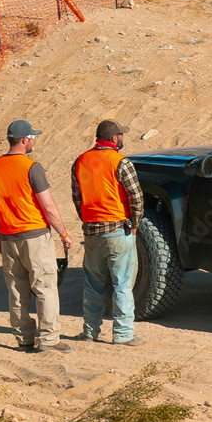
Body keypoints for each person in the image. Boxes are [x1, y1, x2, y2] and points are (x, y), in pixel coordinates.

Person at [0, 120, 74, 354]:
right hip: (34, 237)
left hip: (8, 238)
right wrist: (63, 233)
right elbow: (49, 207)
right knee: (44, 287)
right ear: (25, 140)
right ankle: (49, 339)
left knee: (17, 290)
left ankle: (24, 339)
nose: (34, 140)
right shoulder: (32, 167)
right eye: (33, 137)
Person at [71, 120, 146, 347]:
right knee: (122, 284)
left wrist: (88, 221)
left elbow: (77, 198)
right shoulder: (121, 162)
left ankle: (90, 331)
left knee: (92, 284)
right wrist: (134, 225)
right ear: (114, 139)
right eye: (121, 135)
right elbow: (137, 198)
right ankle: (123, 335)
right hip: (117, 230)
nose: (123, 139)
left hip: (91, 232)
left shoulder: (80, 161)